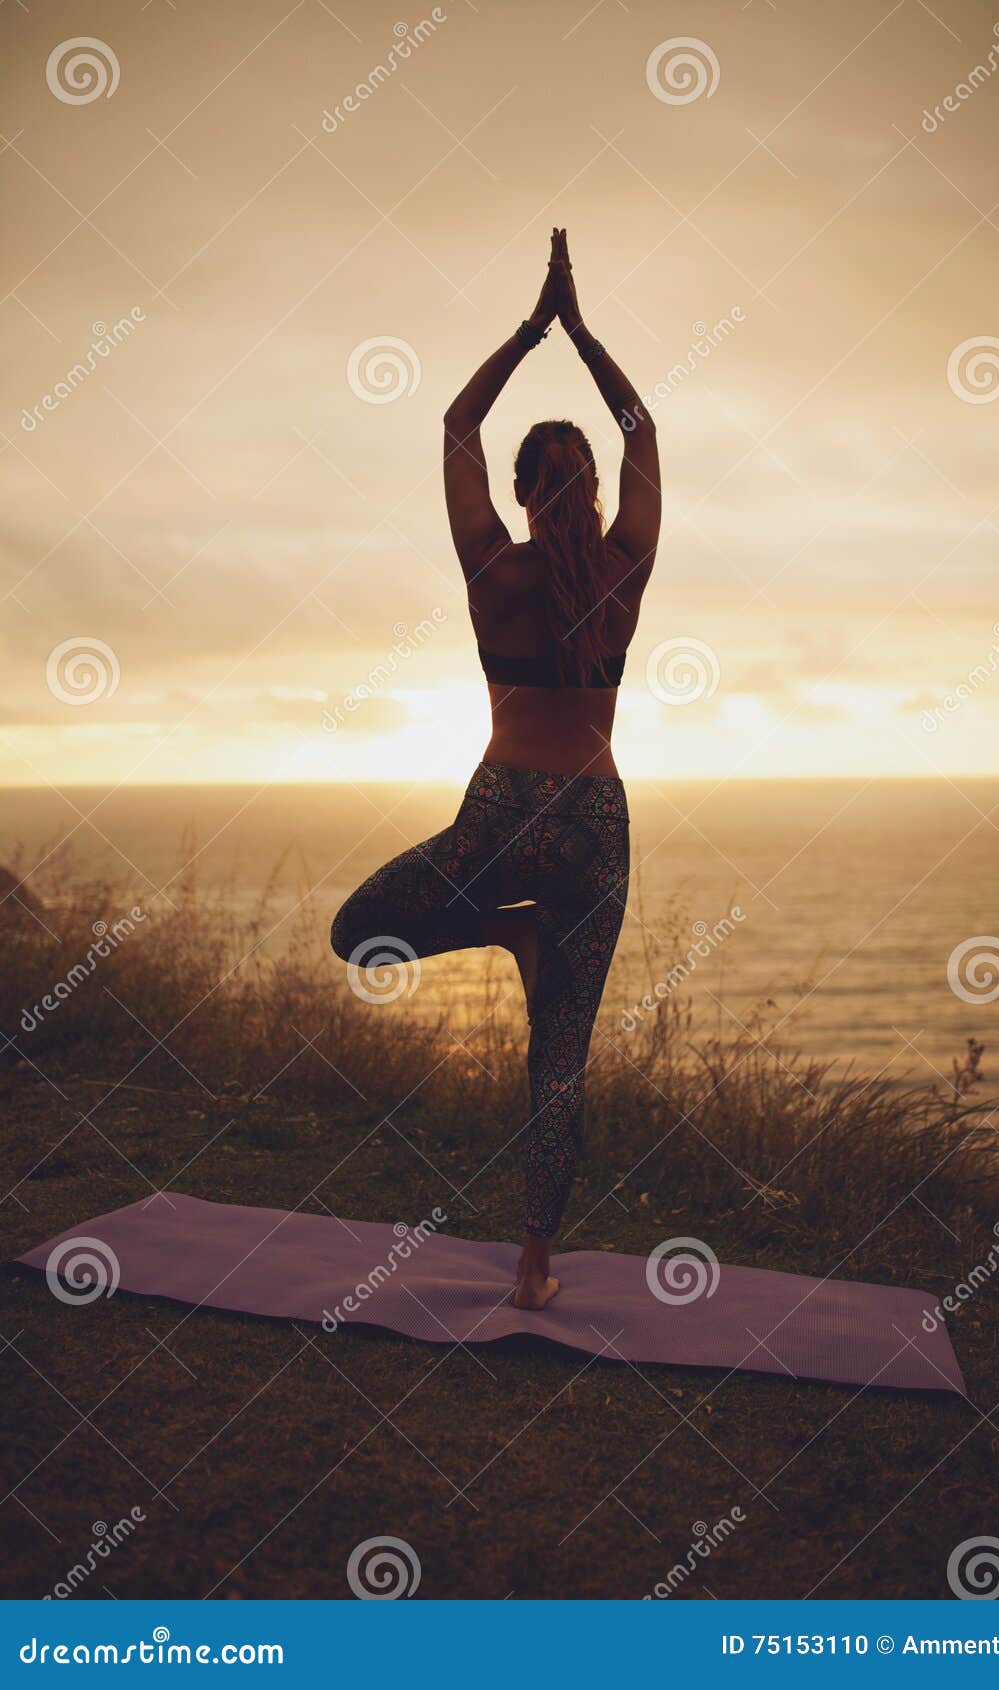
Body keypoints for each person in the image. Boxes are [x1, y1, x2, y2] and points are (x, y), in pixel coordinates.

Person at [330, 230, 661, 1307]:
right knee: (557, 1059)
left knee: (357, 930)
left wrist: (533, 328)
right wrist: (587, 334)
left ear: (523, 493)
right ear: (594, 496)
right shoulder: (624, 568)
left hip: (502, 812)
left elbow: (456, 423)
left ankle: (504, 926)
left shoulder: (490, 568)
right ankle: (532, 1266)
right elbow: (643, 427)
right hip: (594, 823)